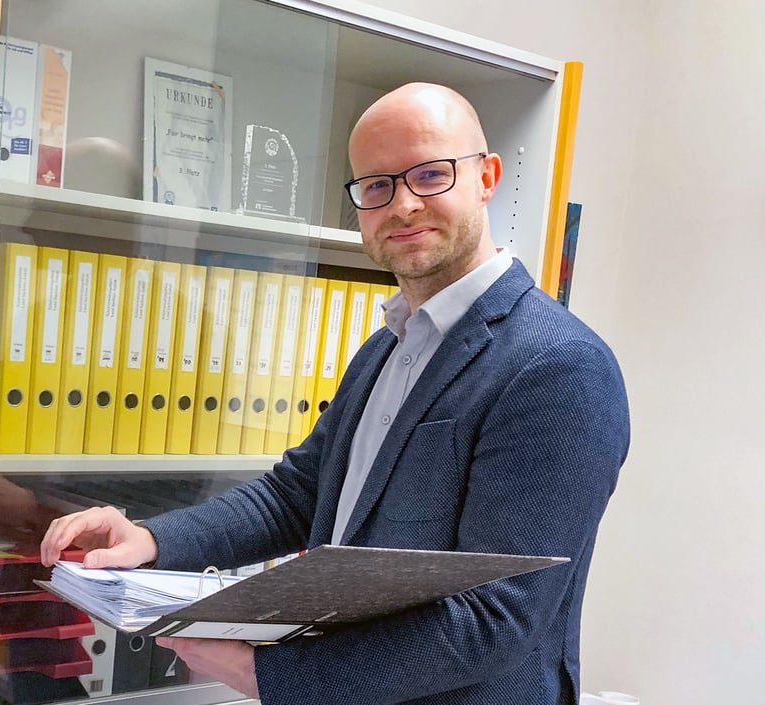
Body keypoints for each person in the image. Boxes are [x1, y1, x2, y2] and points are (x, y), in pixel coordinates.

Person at [40, 82, 630, 705]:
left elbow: (497, 620)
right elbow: (296, 496)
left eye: (429, 175)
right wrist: (154, 540)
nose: (402, 205)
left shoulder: (559, 366)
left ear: (486, 177)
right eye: (376, 186)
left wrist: (267, 677)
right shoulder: (389, 346)